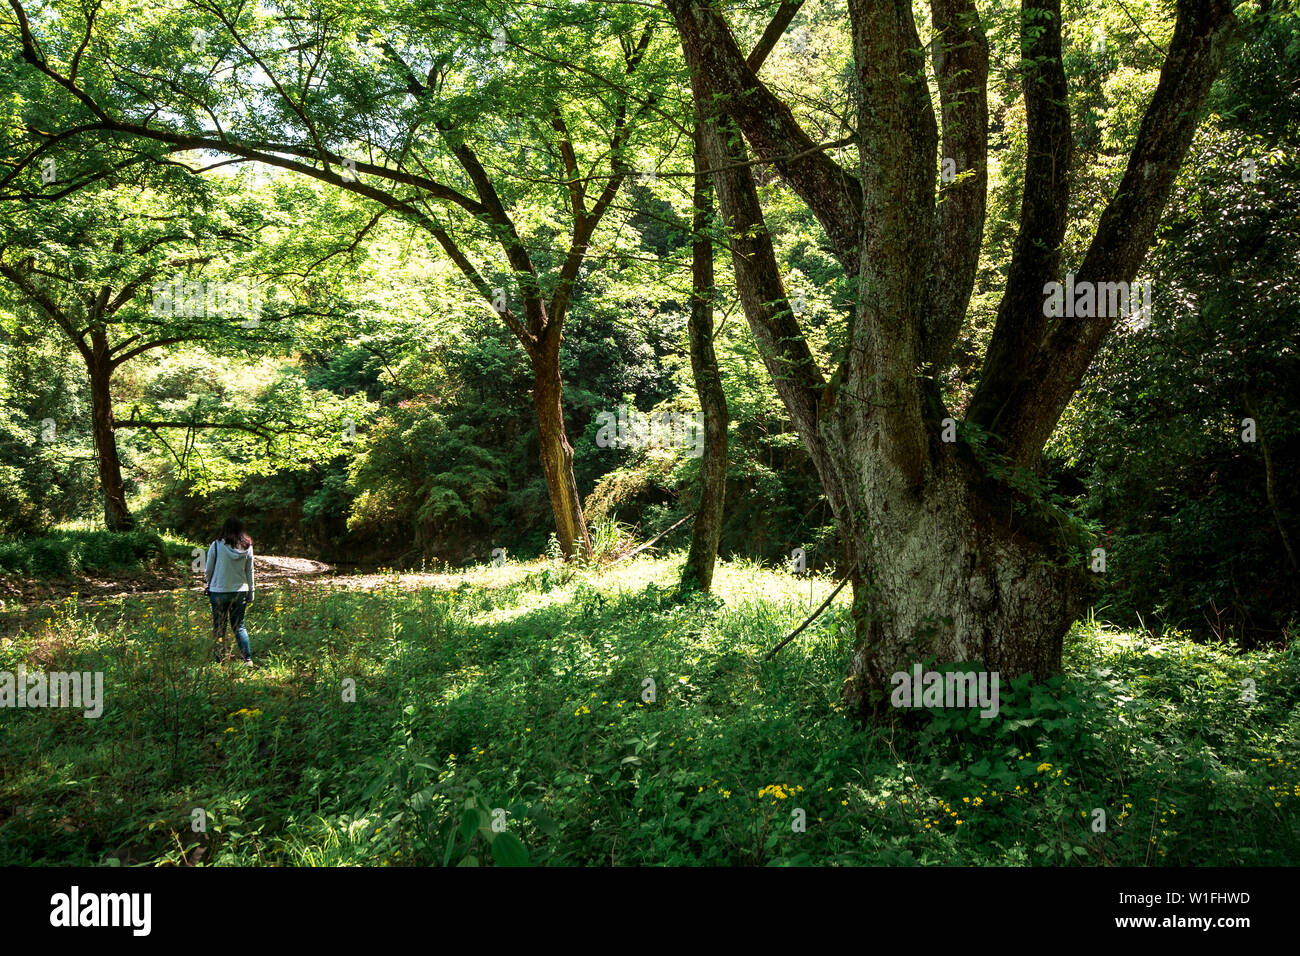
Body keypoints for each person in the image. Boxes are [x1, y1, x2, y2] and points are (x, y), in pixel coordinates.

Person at [204, 518, 256, 666]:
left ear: (224, 529)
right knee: (239, 626)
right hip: (240, 592)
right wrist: (251, 592)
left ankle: (219, 659)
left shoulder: (216, 546)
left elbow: (208, 570)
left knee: (219, 626)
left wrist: (210, 583)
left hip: (218, 591)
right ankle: (247, 659)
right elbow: (249, 571)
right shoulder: (248, 547)